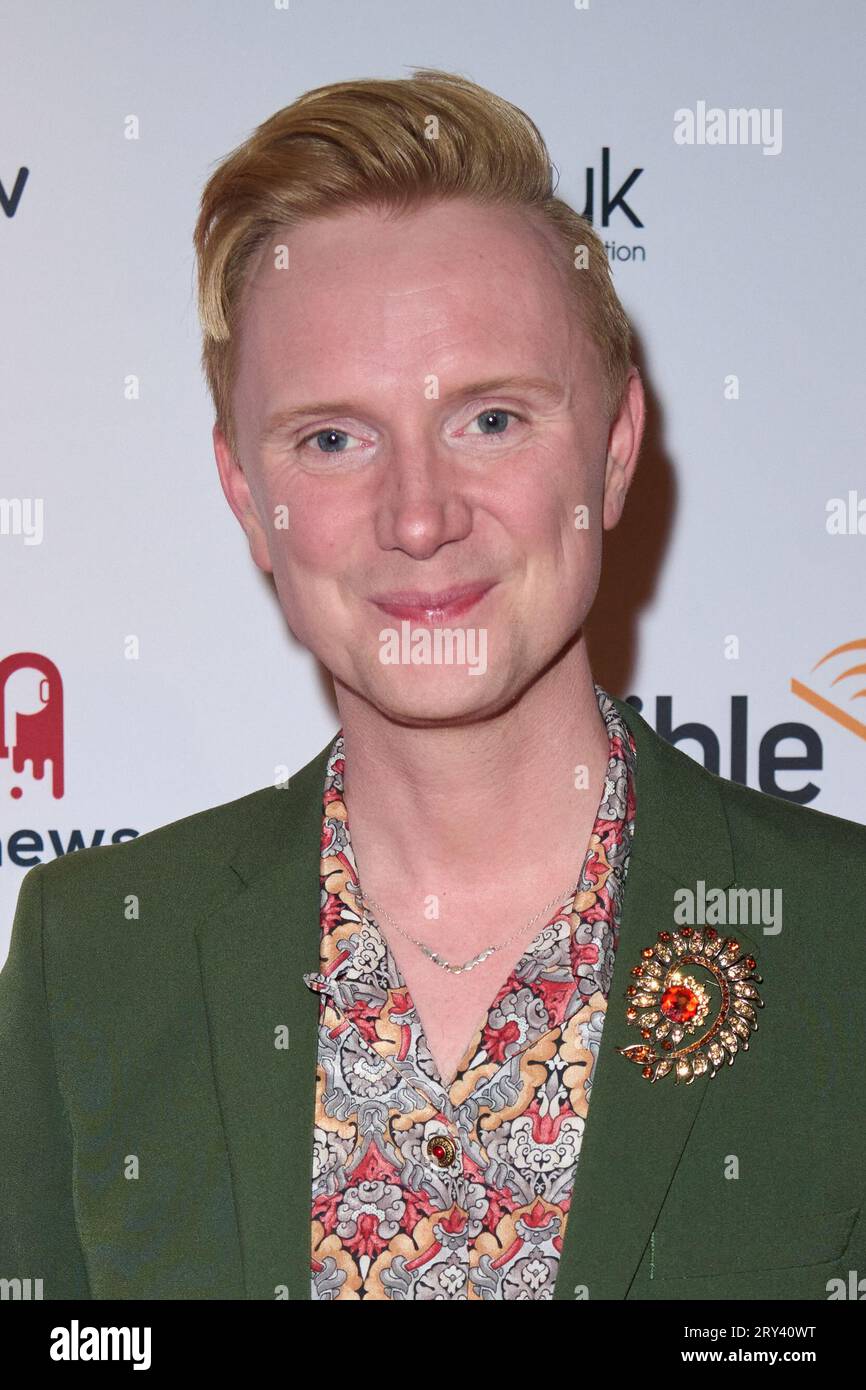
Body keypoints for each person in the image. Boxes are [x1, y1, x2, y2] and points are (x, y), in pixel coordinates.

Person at [2, 69, 864, 1303]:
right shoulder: (96, 957)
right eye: (332, 439)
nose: (418, 516)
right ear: (249, 496)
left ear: (613, 452)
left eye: (492, 419)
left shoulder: (845, 944)